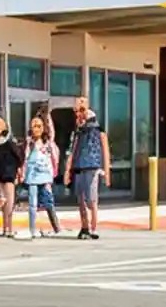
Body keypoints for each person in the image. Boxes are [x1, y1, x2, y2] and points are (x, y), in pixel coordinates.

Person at [64, 96, 110, 240]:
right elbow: (72, 149)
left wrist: (107, 171)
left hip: (92, 166)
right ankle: (85, 227)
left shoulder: (97, 127)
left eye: (82, 109)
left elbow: (105, 149)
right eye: (76, 110)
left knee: (91, 199)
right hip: (79, 166)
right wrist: (68, 170)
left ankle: (93, 227)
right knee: (81, 199)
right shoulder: (78, 130)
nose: (79, 113)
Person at [20, 116, 61, 239]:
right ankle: (32, 229)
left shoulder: (48, 142)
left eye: (39, 126)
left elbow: (54, 156)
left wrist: (48, 116)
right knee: (32, 203)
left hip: (45, 175)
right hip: (32, 175)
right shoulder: (29, 143)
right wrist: (22, 173)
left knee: (48, 201)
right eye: (34, 126)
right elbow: (25, 159)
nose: (37, 129)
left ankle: (57, 228)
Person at [0, 115, 23, 238]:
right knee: (2, 202)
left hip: (9, 174)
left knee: (9, 202)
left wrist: (18, 170)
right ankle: (4, 228)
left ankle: (10, 228)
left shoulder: (9, 140)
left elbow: (18, 156)